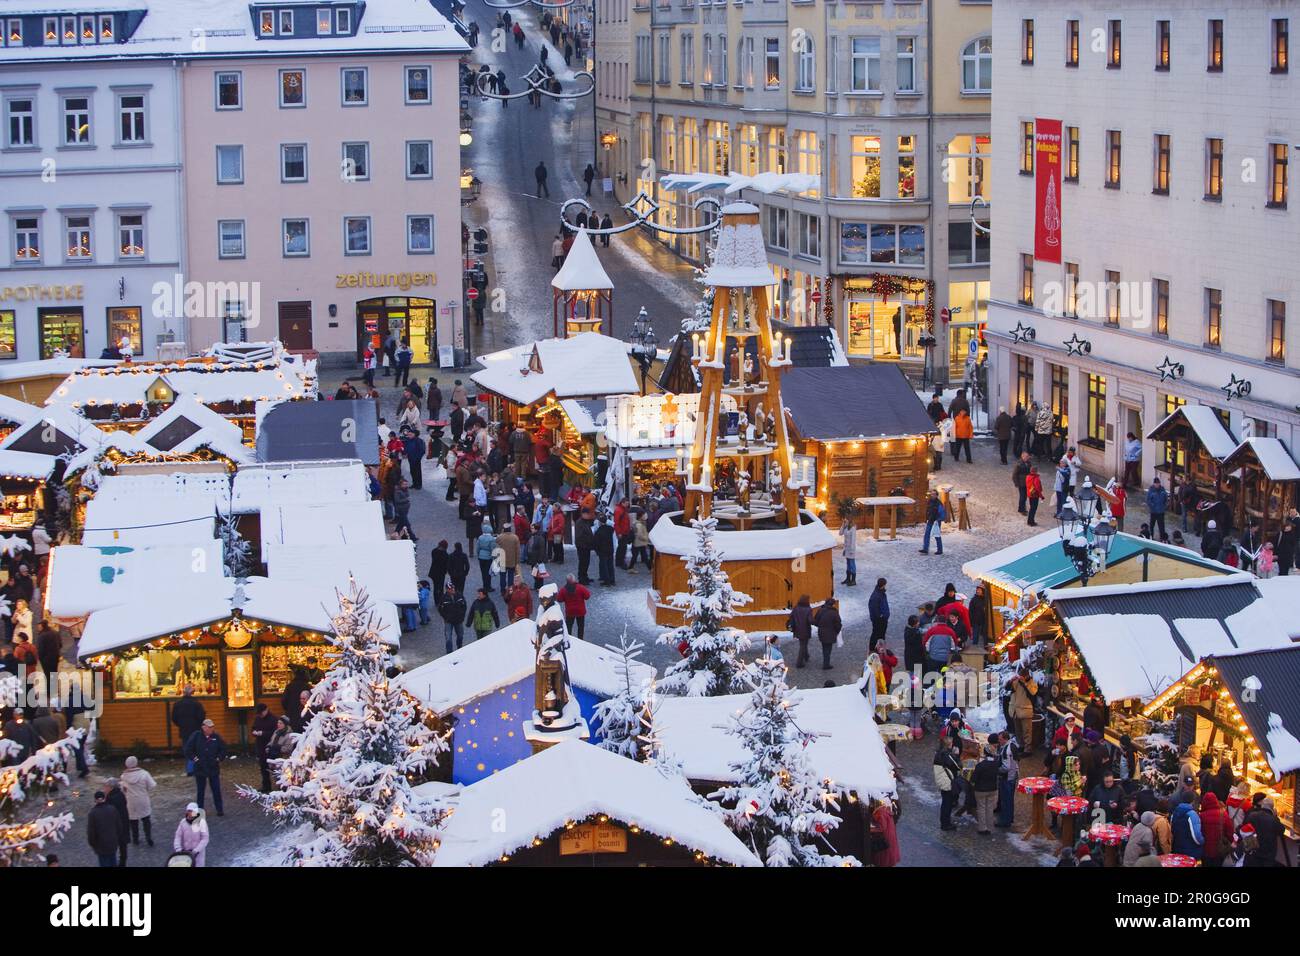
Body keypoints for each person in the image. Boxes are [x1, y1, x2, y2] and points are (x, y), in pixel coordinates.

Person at [183, 718, 226, 816]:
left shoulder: (216, 737)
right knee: (200, 791)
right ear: (204, 727)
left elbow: (223, 749)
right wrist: (195, 759)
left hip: (213, 767)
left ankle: (220, 809)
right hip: (200, 768)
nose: (212, 729)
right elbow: (188, 749)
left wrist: (219, 758)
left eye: (212, 727)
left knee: (216, 790)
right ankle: (200, 810)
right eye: (209, 727)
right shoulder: (196, 736)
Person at [120, 755, 157, 847]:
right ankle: (148, 837)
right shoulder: (144, 774)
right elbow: (152, 785)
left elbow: (123, 789)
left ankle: (135, 839)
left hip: (130, 801)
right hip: (143, 799)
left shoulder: (124, 776)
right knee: (146, 819)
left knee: (133, 821)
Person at [87, 790, 125, 868]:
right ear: (104, 798)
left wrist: (93, 844)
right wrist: (117, 838)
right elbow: (119, 826)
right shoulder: (113, 809)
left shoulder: (92, 813)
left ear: (95, 800)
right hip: (113, 842)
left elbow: (91, 832)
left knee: (104, 862)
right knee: (113, 860)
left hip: (100, 845)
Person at [970, 743, 1000, 835]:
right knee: (990, 808)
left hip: (981, 790)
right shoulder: (996, 764)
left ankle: (982, 828)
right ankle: (990, 826)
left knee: (981, 808)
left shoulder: (980, 765)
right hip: (992, 789)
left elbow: (974, 778)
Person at [1200, 792, 1234, 867]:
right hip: (1220, 849)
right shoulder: (1223, 814)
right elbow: (1230, 832)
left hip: (1205, 850)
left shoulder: (1201, 816)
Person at [995, 729, 1021, 828]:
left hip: (1007, 777)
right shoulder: (1013, 745)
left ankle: (1005, 821)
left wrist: (997, 770)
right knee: (1009, 799)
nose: (999, 741)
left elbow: (1006, 767)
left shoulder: (1006, 750)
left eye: (1000, 739)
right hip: (1013, 776)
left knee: (1006, 800)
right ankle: (1009, 818)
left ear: (1005, 739)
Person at [934, 743, 962, 831]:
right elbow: (958, 766)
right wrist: (956, 755)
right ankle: (945, 824)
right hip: (947, 782)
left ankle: (945, 822)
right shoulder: (946, 755)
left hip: (943, 781)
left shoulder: (939, 754)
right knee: (947, 804)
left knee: (946, 802)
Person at [250, 702, 278, 793]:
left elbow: (275, 733)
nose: (260, 715)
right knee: (263, 767)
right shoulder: (258, 718)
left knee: (274, 767)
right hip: (260, 745)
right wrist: (254, 732)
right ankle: (266, 786)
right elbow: (253, 728)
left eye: (261, 713)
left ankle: (279, 785)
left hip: (270, 746)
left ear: (266, 710)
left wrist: (263, 733)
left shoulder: (273, 719)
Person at [1008, 667, 1037, 749]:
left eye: (1023, 676)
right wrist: (1010, 681)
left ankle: (1028, 749)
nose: (1021, 677)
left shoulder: (1032, 683)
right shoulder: (1016, 681)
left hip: (1025, 711)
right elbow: (1007, 688)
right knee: (1018, 731)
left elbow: (1033, 693)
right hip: (1015, 711)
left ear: (1027, 676)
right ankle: (1021, 746)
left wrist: (1025, 683)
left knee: (1027, 732)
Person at [559, 574, 591, 640]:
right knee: (580, 627)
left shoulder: (563, 589)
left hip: (570, 612)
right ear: (574, 580)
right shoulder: (580, 587)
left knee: (569, 626)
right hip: (580, 611)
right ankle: (580, 639)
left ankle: (569, 639)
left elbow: (559, 599)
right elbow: (587, 596)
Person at [813, 597, 842, 670]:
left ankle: (826, 662)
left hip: (821, 633)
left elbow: (815, 621)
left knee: (824, 647)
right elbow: (838, 624)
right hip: (830, 634)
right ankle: (826, 664)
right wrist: (837, 631)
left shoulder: (820, 610)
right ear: (833, 604)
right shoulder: (834, 613)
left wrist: (820, 626)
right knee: (828, 648)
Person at [438, 583, 467, 654]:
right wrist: (446, 617)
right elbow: (440, 610)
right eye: (451, 589)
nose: (452, 590)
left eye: (453, 588)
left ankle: (459, 648)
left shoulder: (459, 595)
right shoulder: (443, 598)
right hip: (448, 621)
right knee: (448, 638)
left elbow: (464, 606)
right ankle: (449, 653)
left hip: (458, 620)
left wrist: (462, 616)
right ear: (447, 589)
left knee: (460, 636)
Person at [788, 594, 814, 669]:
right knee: (803, 645)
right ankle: (799, 662)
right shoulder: (808, 609)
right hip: (805, 630)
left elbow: (790, 616)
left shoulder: (796, 608)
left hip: (797, 629)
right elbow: (810, 620)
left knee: (803, 643)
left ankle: (806, 656)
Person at [918, 489, 944, 555]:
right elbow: (928, 511)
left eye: (934, 494)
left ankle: (940, 550)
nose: (932, 495)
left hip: (936, 522)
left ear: (936, 495)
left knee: (937, 535)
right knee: (926, 535)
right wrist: (927, 518)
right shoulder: (929, 502)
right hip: (930, 520)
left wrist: (938, 520)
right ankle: (925, 549)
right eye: (932, 494)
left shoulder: (939, 503)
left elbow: (942, 513)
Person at [594, 515, 616, 585]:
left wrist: (597, 551)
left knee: (604, 566)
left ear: (600, 522)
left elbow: (596, 543)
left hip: (602, 551)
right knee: (610, 565)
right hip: (610, 549)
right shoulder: (610, 529)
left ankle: (607, 581)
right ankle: (612, 579)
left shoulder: (598, 531)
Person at [1146, 477, 1169, 542]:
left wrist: (1164, 506)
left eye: (1158, 483)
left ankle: (1162, 538)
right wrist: (1152, 506)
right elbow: (1148, 500)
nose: (1157, 485)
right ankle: (1151, 536)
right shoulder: (1151, 490)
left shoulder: (1162, 490)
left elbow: (1166, 499)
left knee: (1161, 526)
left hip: (1161, 511)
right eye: (1156, 483)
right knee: (1151, 525)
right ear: (1154, 484)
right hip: (1153, 511)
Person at [867, 577, 889, 645]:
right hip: (879, 619)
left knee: (881, 634)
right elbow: (874, 608)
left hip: (883, 618)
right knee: (876, 634)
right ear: (883, 585)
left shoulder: (881, 593)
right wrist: (880, 616)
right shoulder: (877, 595)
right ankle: (872, 648)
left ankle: (880, 646)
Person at [840, 517, 858, 586]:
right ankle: (848, 579)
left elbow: (853, 540)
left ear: (849, 521)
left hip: (851, 549)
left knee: (852, 564)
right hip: (846, 549)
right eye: (844, 521)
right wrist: (843, 525)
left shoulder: (853, 528)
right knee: (848, 564)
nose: (845, 521)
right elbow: (840, 533)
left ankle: (853, 580)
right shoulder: (845, 527)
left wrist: (852, 550)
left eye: (846, 521)